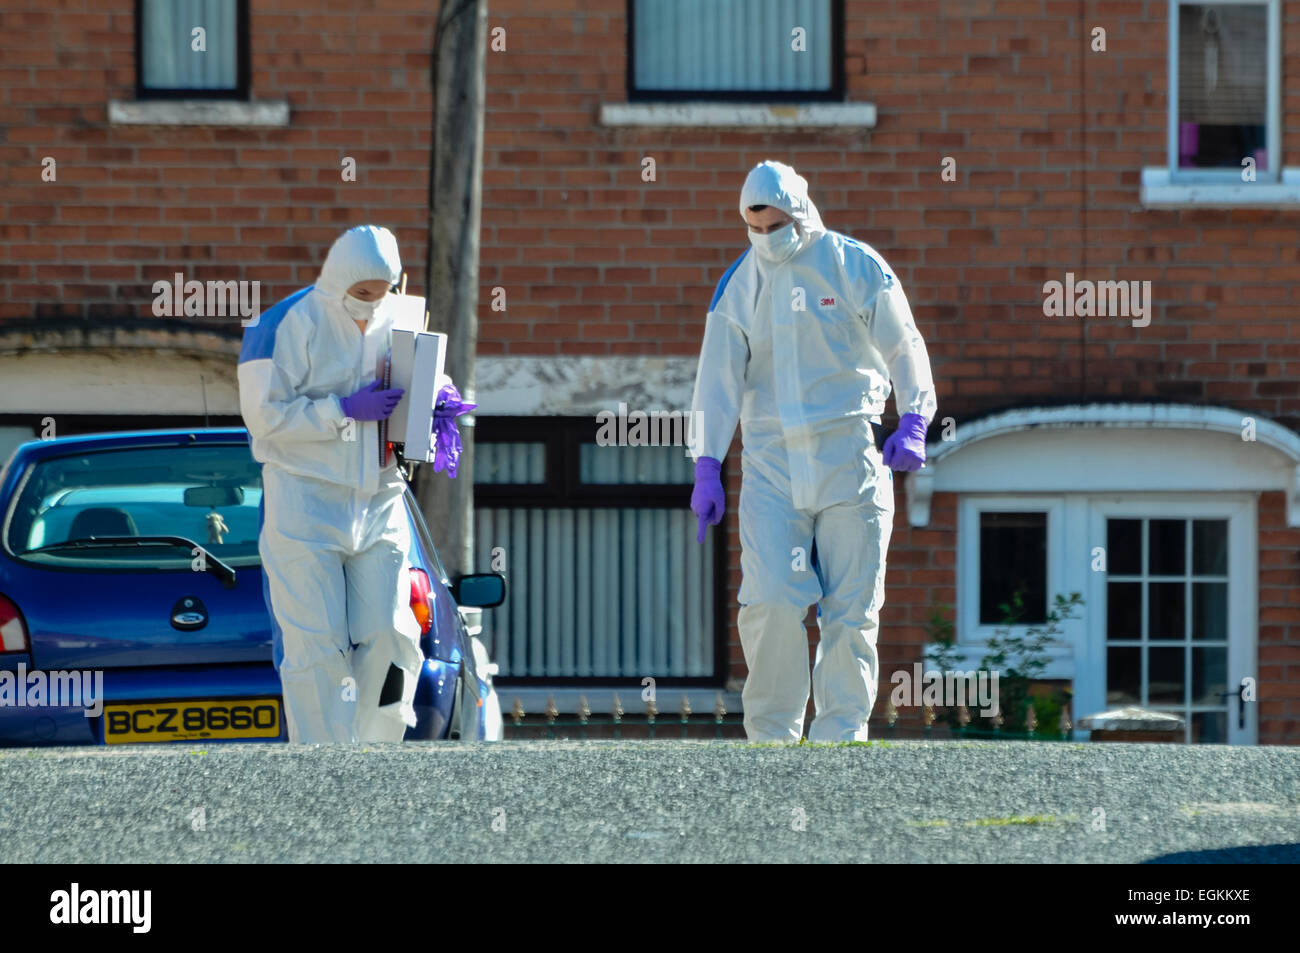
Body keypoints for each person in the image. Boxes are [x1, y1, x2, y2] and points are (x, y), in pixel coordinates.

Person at [689, 160, 937, 743]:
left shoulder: (854, 266)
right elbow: (717, 380)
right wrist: (706, 463)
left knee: (851, 613)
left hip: (850, 456)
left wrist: (916, 416)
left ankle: (839, 741)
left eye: (775, 225)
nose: (765, 238)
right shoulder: (740, 284)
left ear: (800, 213)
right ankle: (772, 740)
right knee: (771, 600)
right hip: (772, 465)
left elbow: (905, 346)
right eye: (754, 228)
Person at [238, 224, 472, 743]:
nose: (371, 304)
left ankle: (374, 753)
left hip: (380, 496)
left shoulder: (400, 314)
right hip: (304, 500)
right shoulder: (283, 324)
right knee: (315, 644)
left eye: (381, 292)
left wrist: (440, 397)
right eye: (362, 293)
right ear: (339, 279)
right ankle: (324, 765)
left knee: (394, 634)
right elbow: (264, 419)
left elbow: (418, 371)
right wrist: (341, 411)